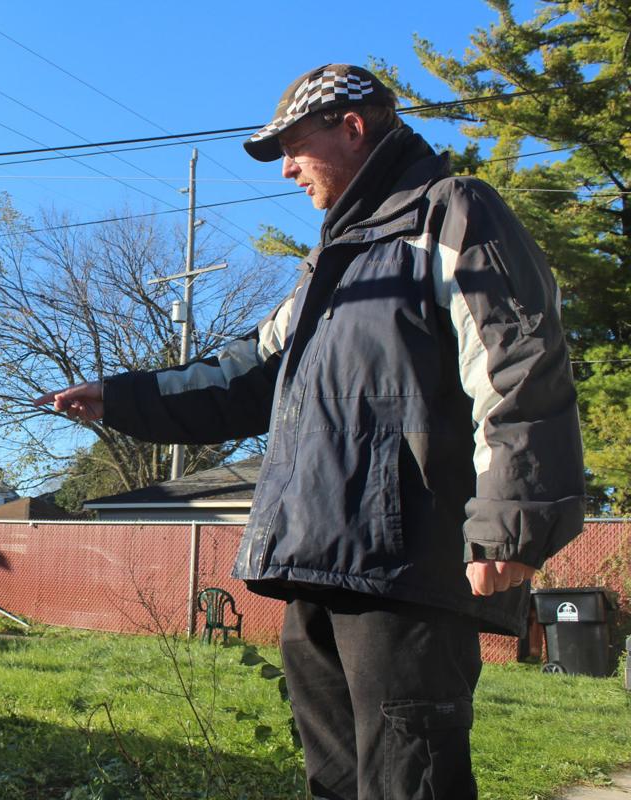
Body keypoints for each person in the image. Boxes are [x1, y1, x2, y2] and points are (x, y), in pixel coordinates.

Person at [34, 63, 585, 800]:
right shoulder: (330, 264)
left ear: (352, 127)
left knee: (408, 782)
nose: (287, 168)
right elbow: (241, 376)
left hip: (407, 573)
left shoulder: (450, 214)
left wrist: (508, 525)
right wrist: (121, 396)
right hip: (320, 567)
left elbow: (519, 365)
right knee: (334, 785)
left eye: (294, 147)